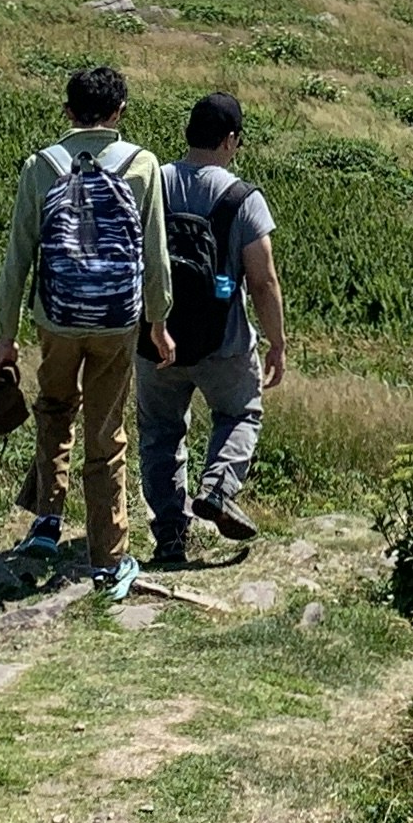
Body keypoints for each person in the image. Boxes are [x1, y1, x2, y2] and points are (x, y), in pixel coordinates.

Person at [0, 60, 172, 598]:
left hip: (57, 317)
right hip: (117, 322)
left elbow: (18, 256)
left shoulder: (41, 165)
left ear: (68, 111)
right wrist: (158, 324)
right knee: (106, 431)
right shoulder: (142, 165)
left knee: (53, 409)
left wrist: (7, 334)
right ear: (119, 112)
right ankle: (108, 558)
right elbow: (155, 256)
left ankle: (47, 521)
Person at [142, 91, 285, 568]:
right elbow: (263, 281)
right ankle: (219, 490)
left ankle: (168, 537)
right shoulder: (243, 198)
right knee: (241, 414)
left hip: (156, 338)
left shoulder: (153, 183)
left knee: (160, 432)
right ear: (230, 141)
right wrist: (277, 343)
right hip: (223, 341)